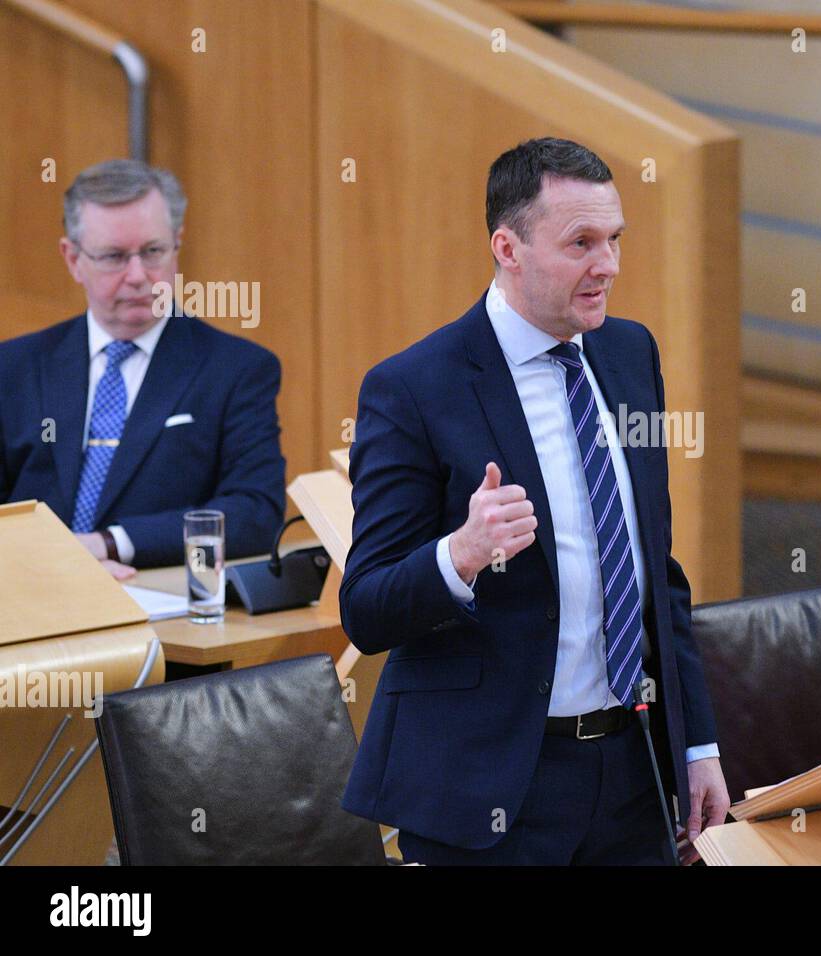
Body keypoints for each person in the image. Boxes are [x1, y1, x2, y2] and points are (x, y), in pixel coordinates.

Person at [339, 138, 728, 865]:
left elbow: (653, 571)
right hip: (495, 786)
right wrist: (460, 554)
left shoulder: (628, 353)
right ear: (508, 248)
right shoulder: (415, 387)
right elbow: (365, 608)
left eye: (613, 240)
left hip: (631, 771)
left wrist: (696, 742)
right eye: (581, 242)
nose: (607, 265)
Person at [0, 159, 285, 576]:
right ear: (73, 258)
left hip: (161, 606)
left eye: (152, 252)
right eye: (114, 256)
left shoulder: (237, 370)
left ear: (177, 244)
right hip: (30, 597)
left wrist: (111, 544)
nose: (138, 276)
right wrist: (50, 562)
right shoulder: (14, 367)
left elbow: (254, 515)